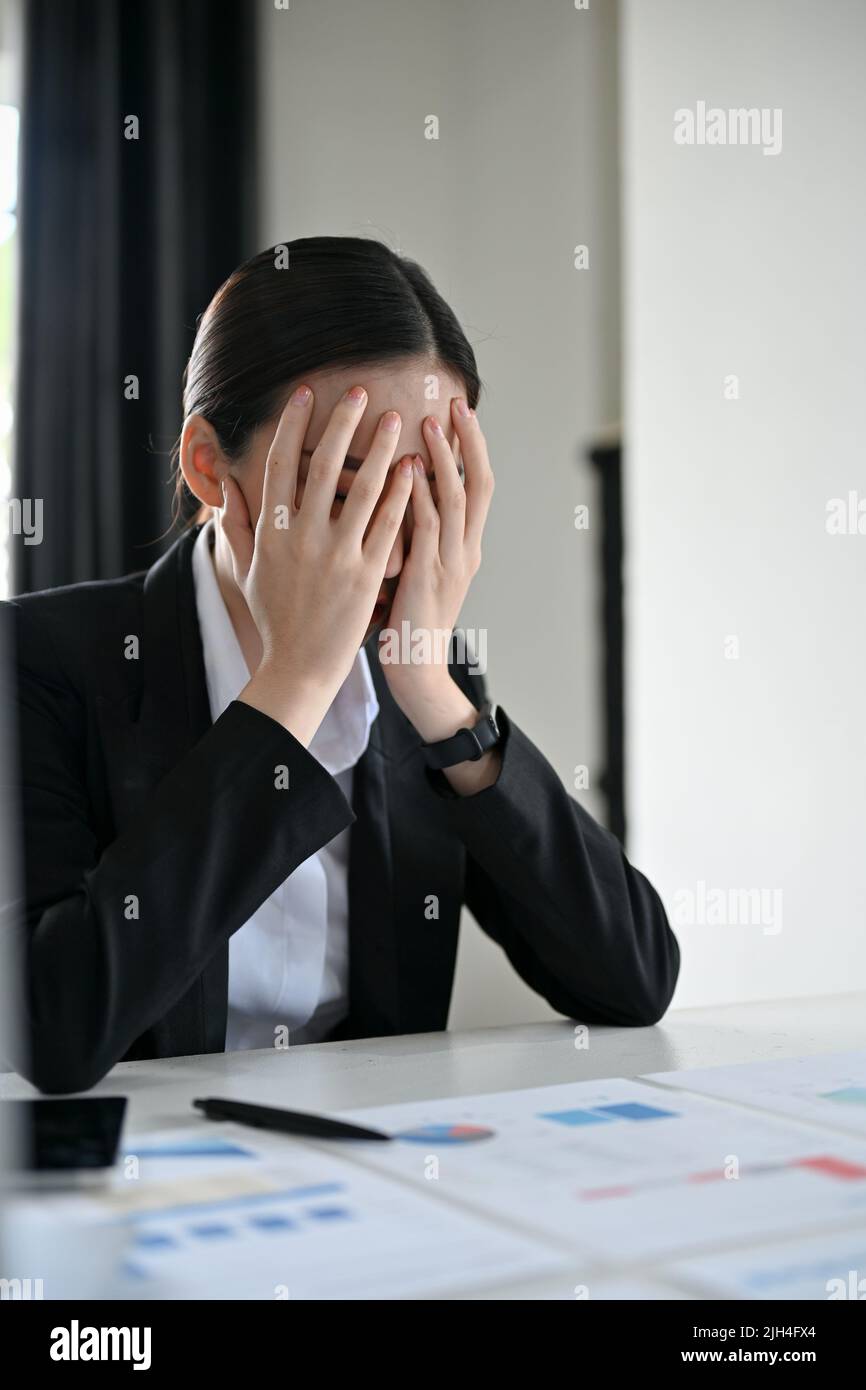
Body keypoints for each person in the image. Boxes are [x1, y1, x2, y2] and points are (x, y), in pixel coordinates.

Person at [6, 236, 679, 1094]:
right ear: (211, 467)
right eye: (346, 481)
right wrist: (291, 686)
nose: (395, 531)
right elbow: (54, 1027)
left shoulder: (422, 678)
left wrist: (435, 696)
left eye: (431, 484)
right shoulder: (37, 663)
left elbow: (634, 981)